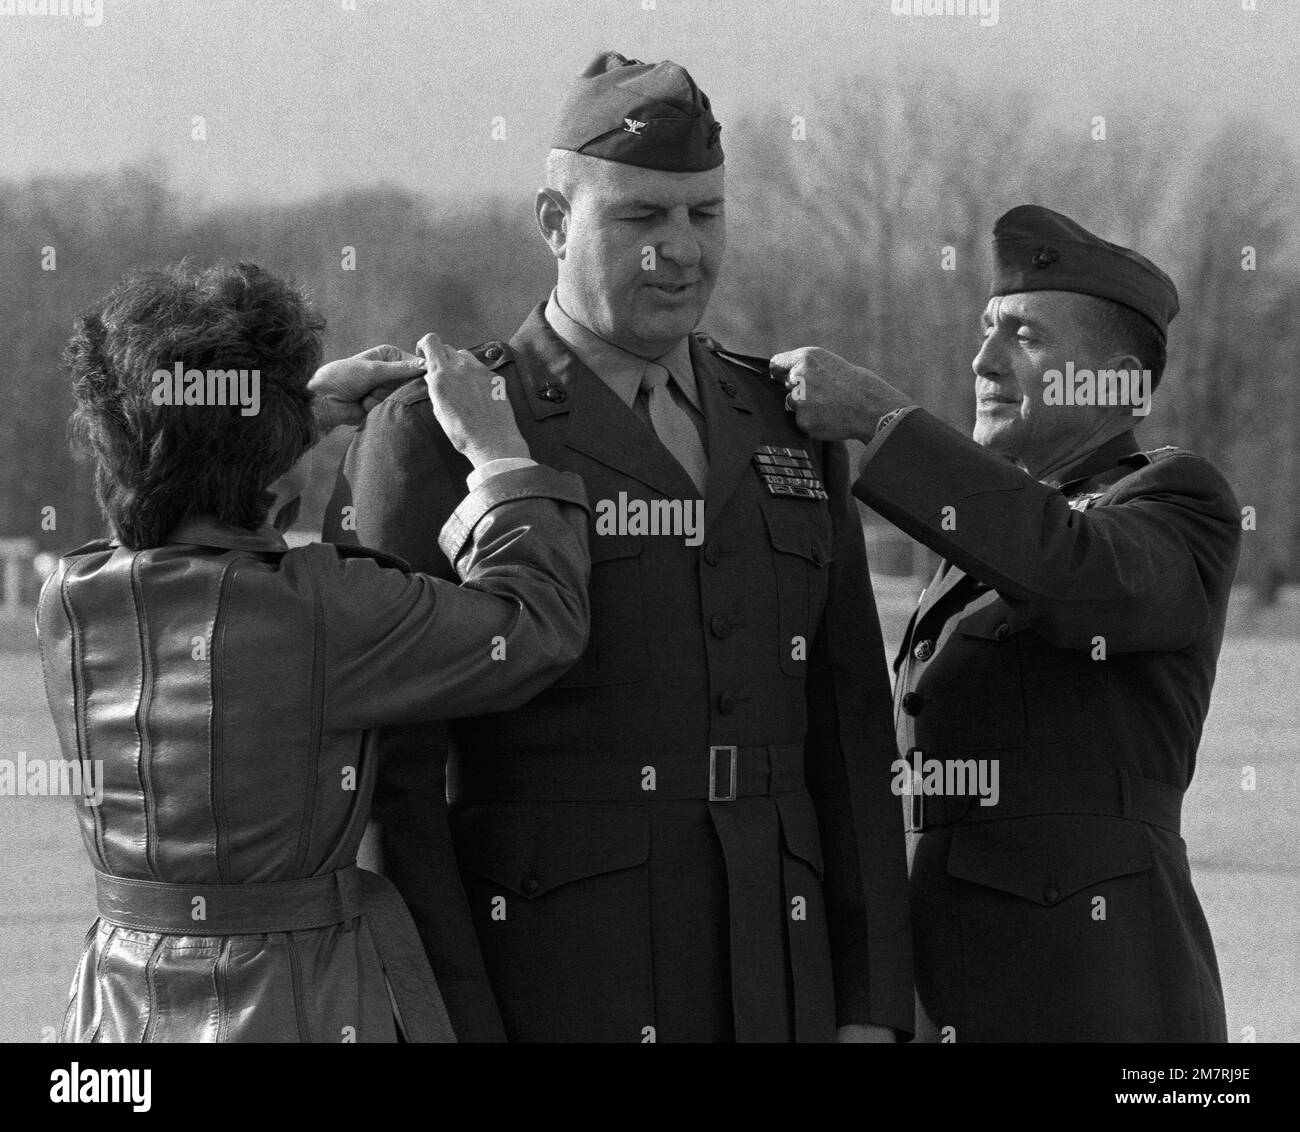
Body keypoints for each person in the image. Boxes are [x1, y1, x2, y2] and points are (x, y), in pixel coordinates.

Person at [325, 52, 913, 1043]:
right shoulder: (440, 428)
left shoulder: (786, 422)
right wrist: (448, 1023)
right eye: (641, 217)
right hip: (557, 982)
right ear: (555, 223)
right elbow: (395, 782)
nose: (680, 250)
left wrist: (868, 1002)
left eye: (704, 215)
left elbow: (849, 729)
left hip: (783, 978)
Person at [37, 261, 590, 1042]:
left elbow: (167, 488)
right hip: (293, 1008)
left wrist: (283, 419)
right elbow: (539, 626)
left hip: (113, 1014)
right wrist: (498, 457)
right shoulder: (323, 610)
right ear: (279, 493)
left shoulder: (69, 595)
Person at [772, 204, 1239, 1041]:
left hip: (1101, 992)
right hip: (951, 989)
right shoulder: (985, 537)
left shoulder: (1176, 504)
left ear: (1118, 382)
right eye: (985, 331)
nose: (982, 361)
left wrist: (885, 421)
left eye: (1022, 336)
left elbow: (1075, 572)